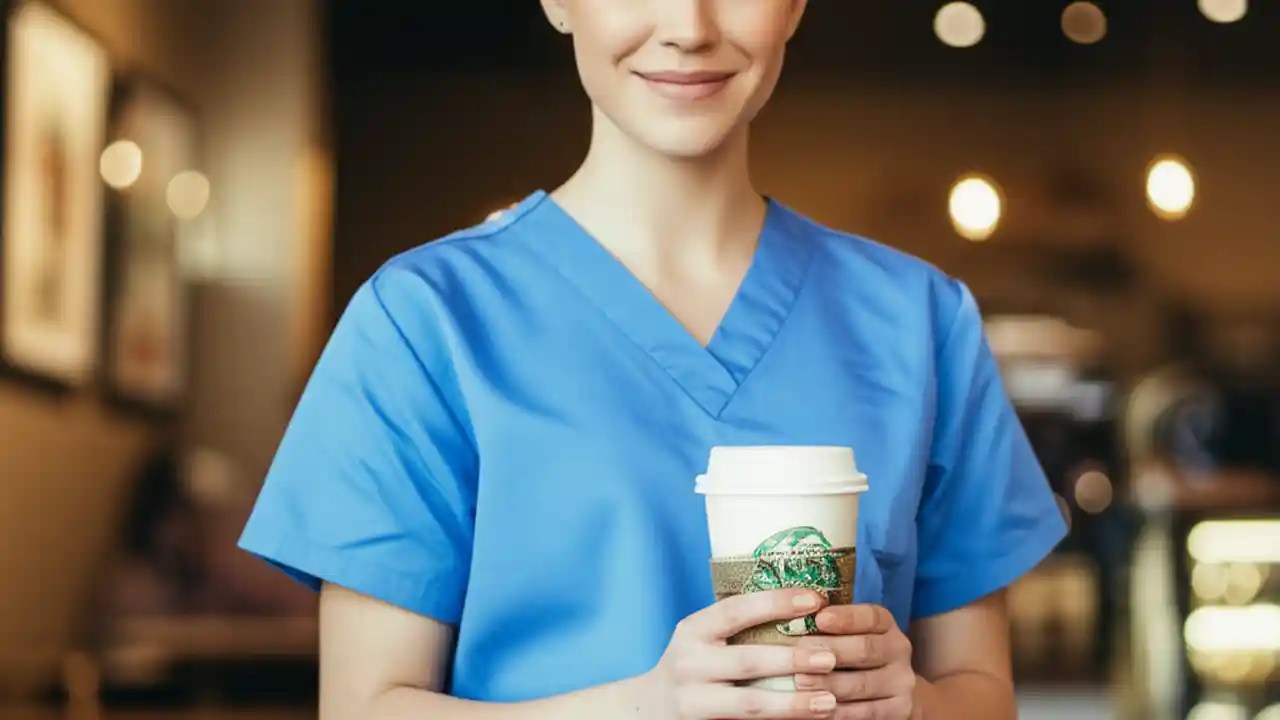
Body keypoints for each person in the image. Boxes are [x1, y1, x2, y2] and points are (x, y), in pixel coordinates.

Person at [238, 2, 1067, 718]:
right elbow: (363, 707)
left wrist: (911, 701)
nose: (688, 30)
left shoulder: (918, 321)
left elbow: (982, 692)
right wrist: (644, 706)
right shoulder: (426, 320)